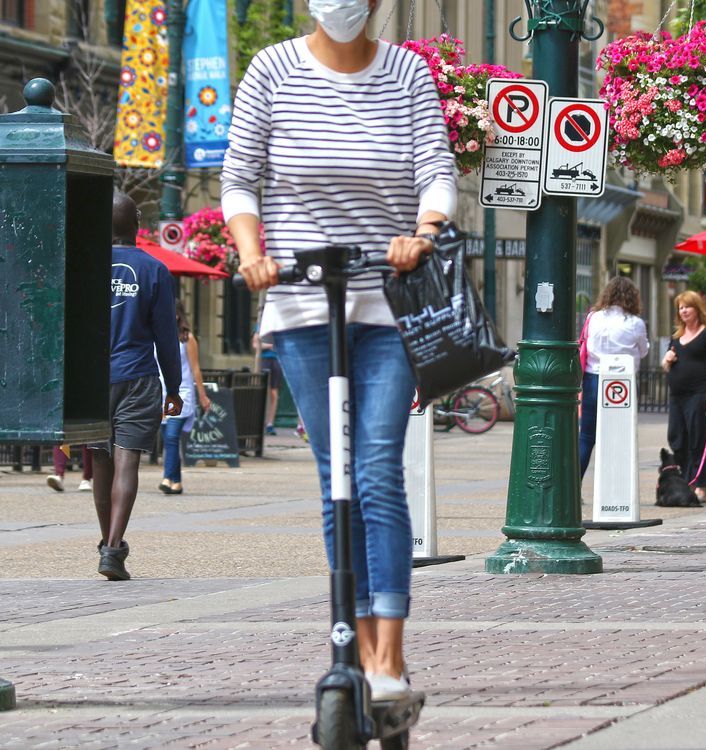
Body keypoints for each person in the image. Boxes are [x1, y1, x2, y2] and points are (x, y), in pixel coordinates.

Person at [222, 0, 457, 703]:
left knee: (378, 468)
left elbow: (436, 169)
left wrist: (424, 228)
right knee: (337, 480)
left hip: (387, 304)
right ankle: (349, 642)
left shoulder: (407, 75)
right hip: (299, 306)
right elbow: (239, 175)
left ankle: (390, 657)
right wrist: (252, 254)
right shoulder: (272, 70)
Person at [90, 189, 183, 580]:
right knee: (127, 462)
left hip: (92, 381)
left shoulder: (85, 265)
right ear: (137, 226)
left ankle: (106, 543)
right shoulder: (154, 269)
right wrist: (174, 387)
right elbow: (166, 335)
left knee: (99, 461)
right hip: (139, 377)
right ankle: (113, 547)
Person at [578, 277, 649, 477]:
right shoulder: (636, 323)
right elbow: (643, 351)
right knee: (619, 437)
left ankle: (575, 487)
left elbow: (587, 344)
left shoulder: (593, 317)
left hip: (593, 378)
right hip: (622, 382)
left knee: (586, 436)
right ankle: (616, 486)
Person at [661, 291, 706, 503]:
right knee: (677, 438)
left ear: (697, 309)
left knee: (699, 439)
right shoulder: (676, 338)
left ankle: (700, 485)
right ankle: (687, 479)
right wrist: (667, 360)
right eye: (680, 308)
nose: (683, 311)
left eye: (687, 307)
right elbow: (666, 367)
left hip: (700, 394)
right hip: (677, 396)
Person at [157, 301, 212, 495]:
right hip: (162, 393)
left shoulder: (187, 339)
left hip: (182, 393)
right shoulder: (157, 336)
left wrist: (203, 396)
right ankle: (177, 482)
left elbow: (195, 368)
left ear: (177, 316)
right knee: (168, 438)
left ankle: (166, 477)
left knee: (172, 437)